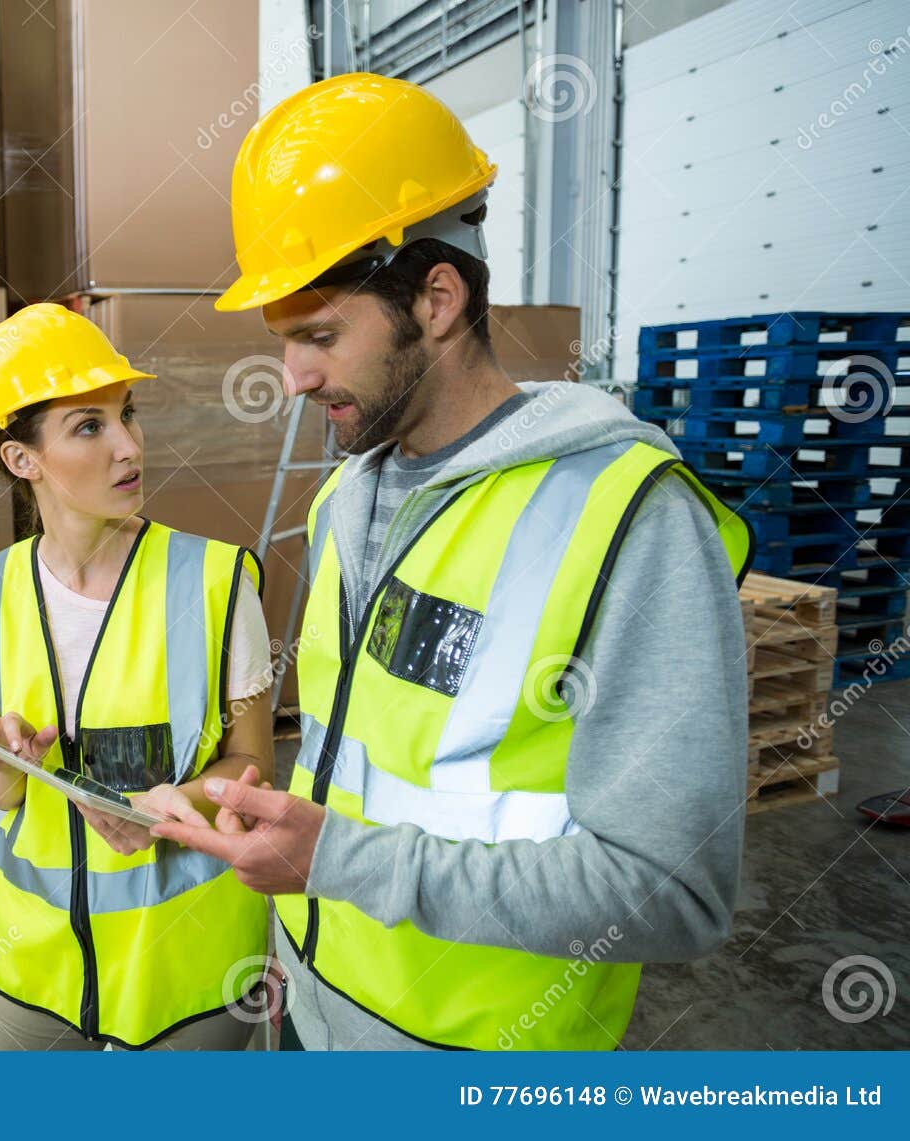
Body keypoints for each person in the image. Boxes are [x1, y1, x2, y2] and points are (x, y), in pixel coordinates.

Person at [157, 73, 754, 1051]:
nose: (292, 377)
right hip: (315, 1005)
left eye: (318, 336)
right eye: (284, 342)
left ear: (437, 298)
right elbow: (363, 767)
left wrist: (340, 862)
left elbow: (673, 890)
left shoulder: (630, 518)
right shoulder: (346, 500)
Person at [0, 303, 274, 1050]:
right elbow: (0, 795)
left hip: (187, 965)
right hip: (35, 962)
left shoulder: (214, 580)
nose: (129, 446)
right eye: (89, 426)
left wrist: (168, 808)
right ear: (21, 459)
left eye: (127, 415)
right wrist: (6, 759)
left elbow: (254, 765)